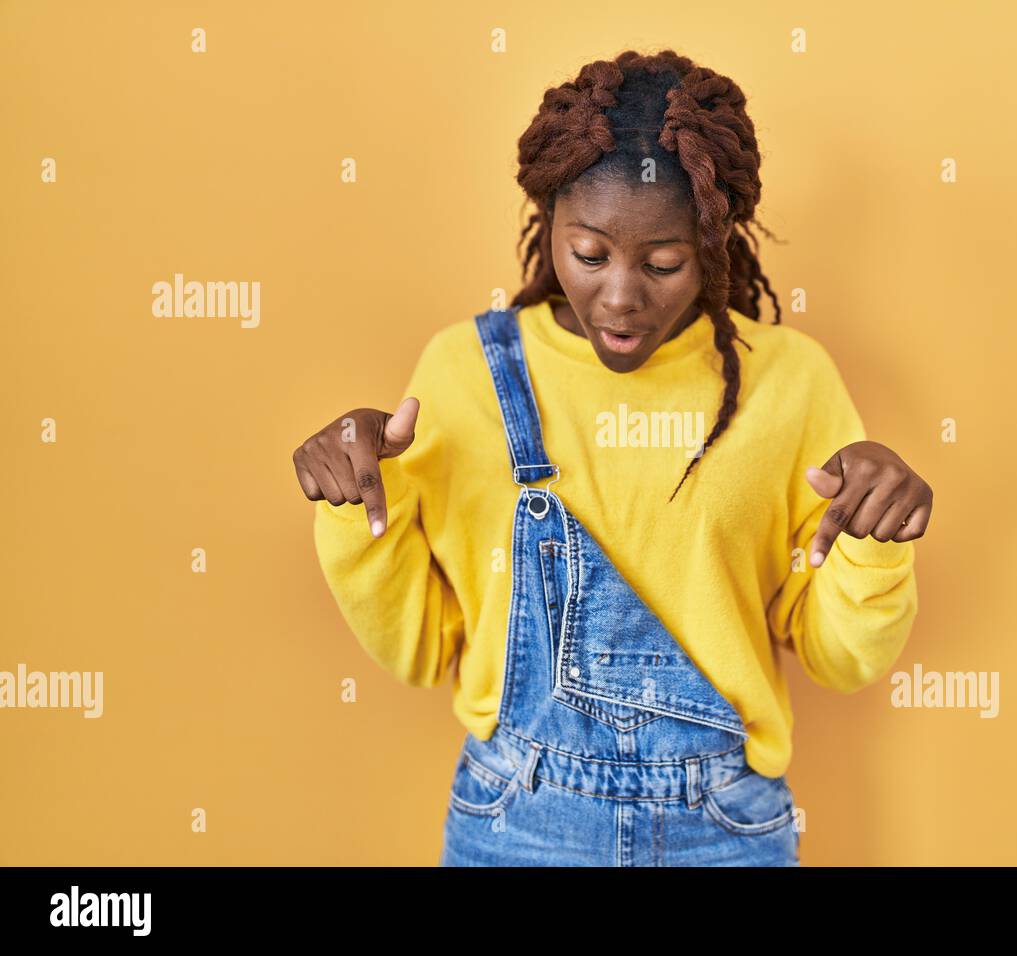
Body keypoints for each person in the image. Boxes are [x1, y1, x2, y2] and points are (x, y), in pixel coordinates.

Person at [293, 49, 932, 866]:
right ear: (549, 223)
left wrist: (877, 544)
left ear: (713, 242)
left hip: (724, 829)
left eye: (663, 264)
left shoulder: (792, 382)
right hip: (517, 823)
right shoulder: (465, 375)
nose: (622, 296)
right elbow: (421, 653)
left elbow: (839, 660)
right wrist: (354, 513)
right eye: (590, 255)